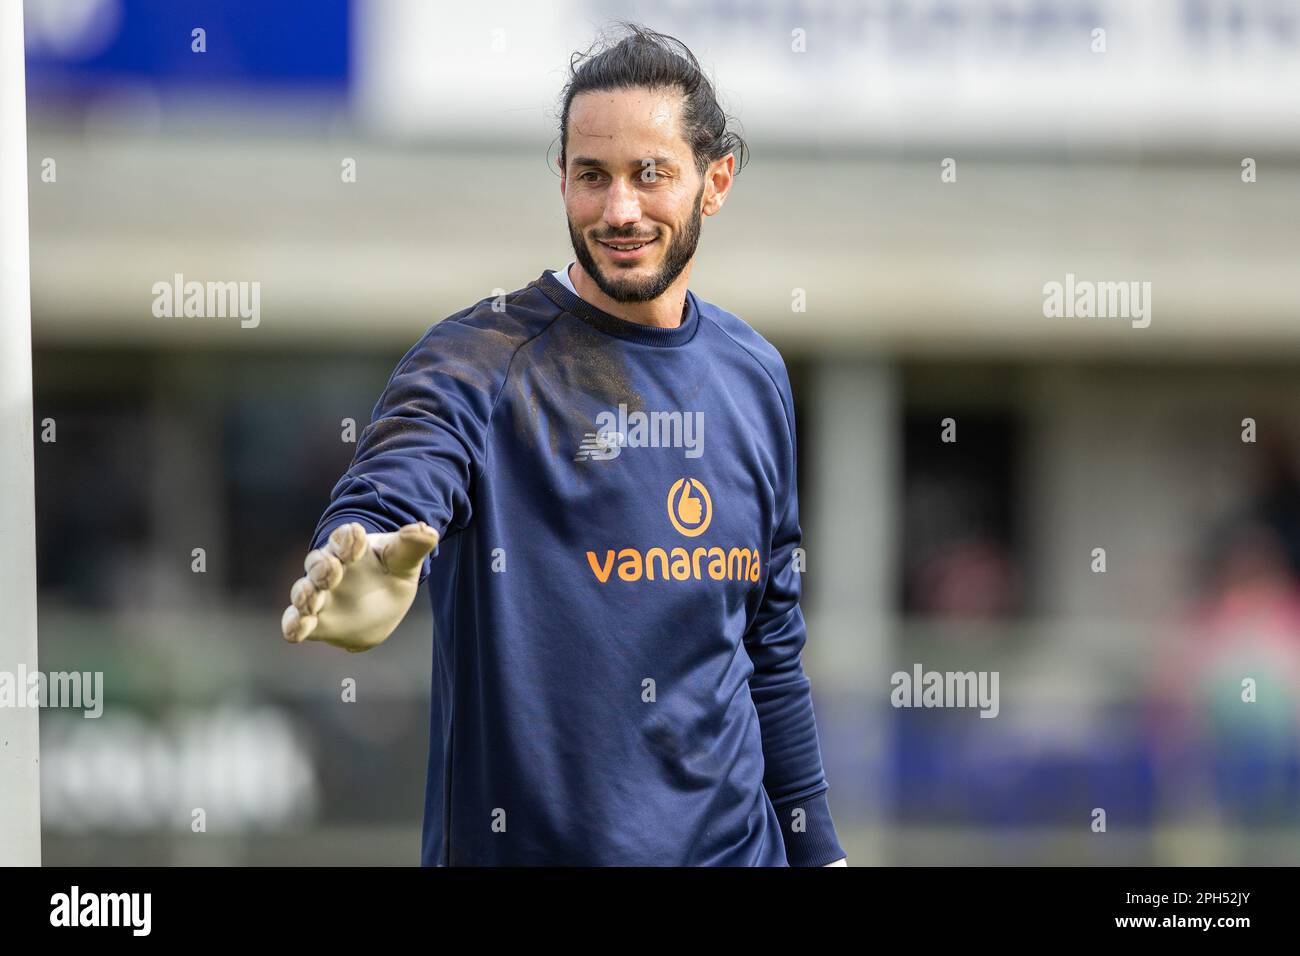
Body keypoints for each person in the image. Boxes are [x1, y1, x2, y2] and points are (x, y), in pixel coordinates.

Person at [281, 22, 847, 867]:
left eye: (650, 174)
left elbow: (768, 649)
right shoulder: (476, 358)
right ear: (562, 181)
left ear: (715, 180)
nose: (620, 209)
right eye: (593, 176)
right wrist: (367, 567)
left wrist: (821, 853)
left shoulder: (754, 375)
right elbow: (397, 484)